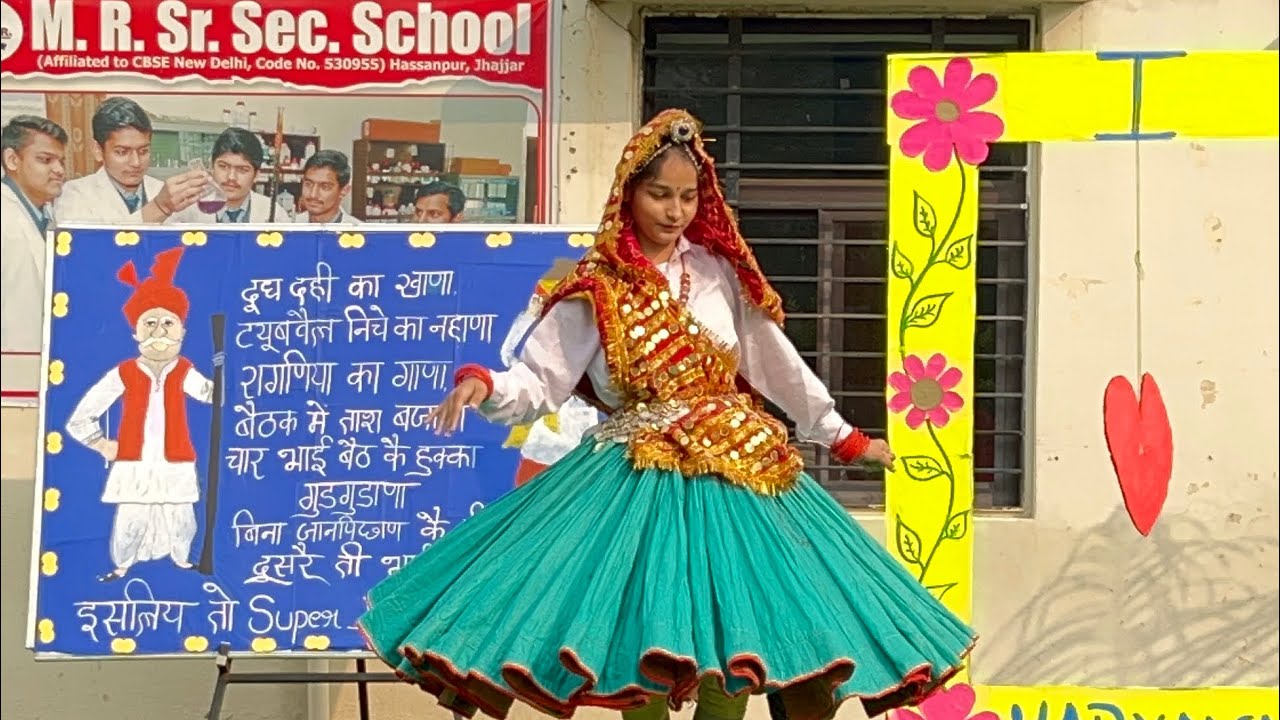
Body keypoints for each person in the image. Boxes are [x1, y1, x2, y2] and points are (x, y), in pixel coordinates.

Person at [356, 109, 976, 720]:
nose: (674, 211)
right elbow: (539, 381)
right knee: (640, 641)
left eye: (686, 196)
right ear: (629, 194)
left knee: (739, 636)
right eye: (659, 195)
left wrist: (841, 438)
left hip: (736, 479)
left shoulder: (718, 273)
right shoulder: (594, 285)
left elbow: (773, 362)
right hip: (634, 484)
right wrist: (483, 384)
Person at [65, 247, 219, 582]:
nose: (159, 331)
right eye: (150, 323)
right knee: (131, 518)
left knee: (181, 517)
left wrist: (224, 376)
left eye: (168, 323)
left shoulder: (184, 370)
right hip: (134, 462)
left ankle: (182, 562)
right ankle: (122, 565)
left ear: (181, 332)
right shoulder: (123, 373)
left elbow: (212, 397)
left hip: (175, 461)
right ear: (136, 332)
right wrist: (100, 443)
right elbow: (80, 416)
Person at [497, 258, 600, 487]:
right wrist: (531, 315)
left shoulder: (592, 328)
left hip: (577, 432)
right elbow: (510, 354)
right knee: (529, 504)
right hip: (540, 437)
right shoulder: (533, 328)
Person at [54, 96, 206, 223]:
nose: (136, 162)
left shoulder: (164, 192)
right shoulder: (75, 195)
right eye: (122, 152)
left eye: (143, 151)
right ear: (98, 151)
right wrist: (160, 208)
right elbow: (95, 249)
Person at [1, 115, 66, 360]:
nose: (59, 170)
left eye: (61, 161)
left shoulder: (44, 212)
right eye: (45, 160)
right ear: (12, 160)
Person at [169, 127, 285, 223]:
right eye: (223, 166)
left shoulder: (275, 214)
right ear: (212, 166)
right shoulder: (188, 209)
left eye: (242, 169)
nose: (231, 177)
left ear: (256, 175)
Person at [294, 149, 359, 224]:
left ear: (344, 190)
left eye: (325, 187)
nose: (313, 194)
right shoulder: (290, 227)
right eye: (308, 184)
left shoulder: (360, 233)